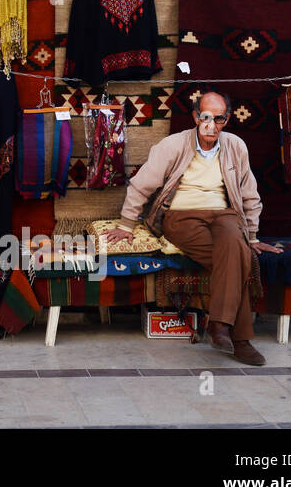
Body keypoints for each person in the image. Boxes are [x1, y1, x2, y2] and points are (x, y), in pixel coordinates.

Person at [103, 91, 281, 366]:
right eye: (206, 117)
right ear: (196, 117)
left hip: (224, 215)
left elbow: (249, 193)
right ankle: (241, 340)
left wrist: (253, 235)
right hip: (181, 216)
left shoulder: (235, 146)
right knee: (240, 259)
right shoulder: (173, 145)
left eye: (219, 118)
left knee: (237, 245)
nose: (212, 124)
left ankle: (220, 326)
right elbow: (142, 184)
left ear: (227, 119)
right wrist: (127, 223)